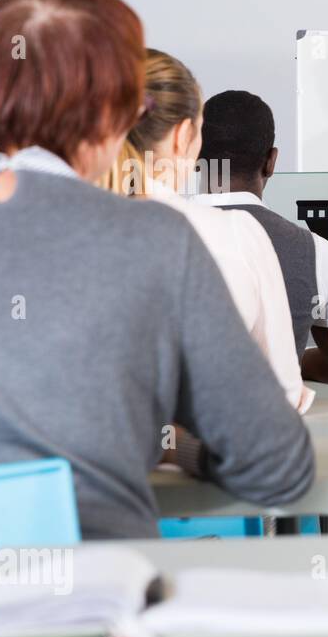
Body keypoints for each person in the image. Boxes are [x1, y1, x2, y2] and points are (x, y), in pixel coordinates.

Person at [0, 0, 314, 539]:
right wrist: (171, 440)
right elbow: (277, 465)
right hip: (92, 596)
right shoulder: (158, 239)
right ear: (111, 113)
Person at [113, 49, 310, 412]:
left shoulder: (57, 233)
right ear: (184, 135)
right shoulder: (236, 236)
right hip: (206, 463)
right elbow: (280, 397)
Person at [195, 90, 328, 385]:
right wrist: (278, 361)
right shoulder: (316, 251)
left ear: (195, 155)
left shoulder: (150, 236)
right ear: (271, 161)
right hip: (270, 428)